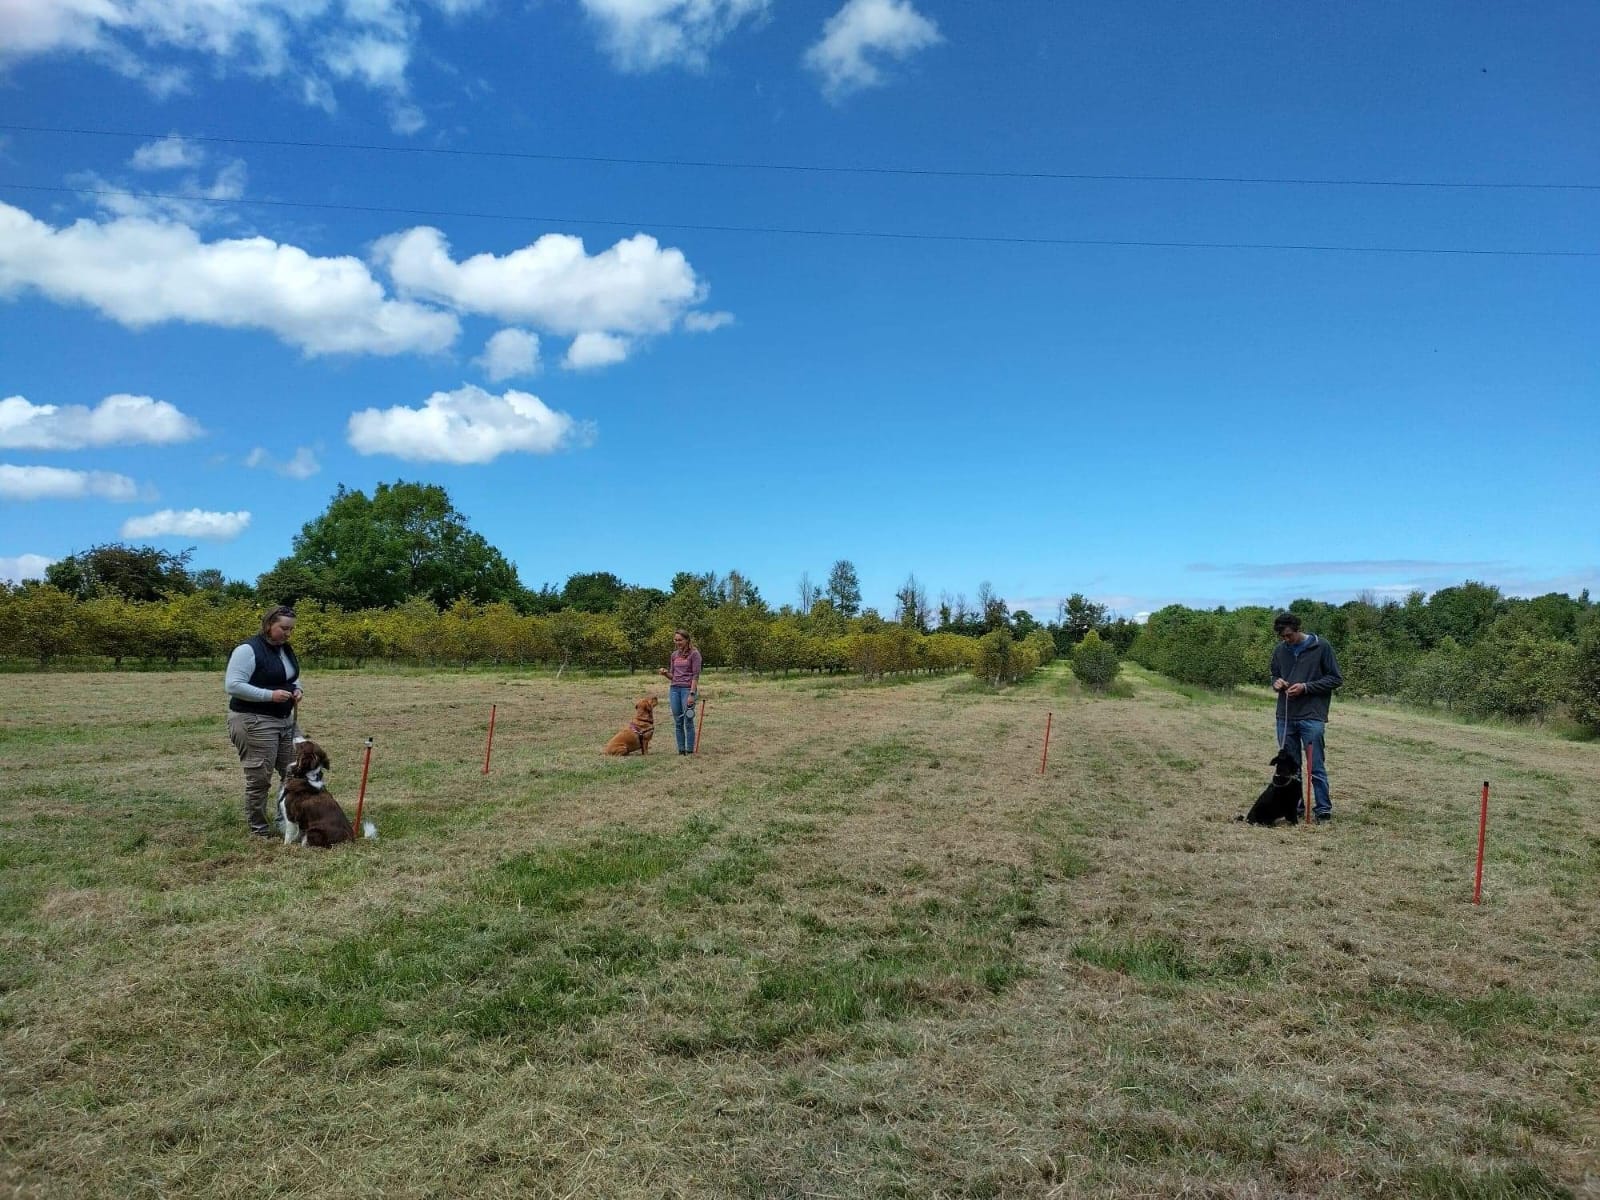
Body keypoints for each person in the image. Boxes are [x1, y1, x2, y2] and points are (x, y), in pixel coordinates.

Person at [226, 605, 303, 837]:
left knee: (294, 771)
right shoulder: (247, 650)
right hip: (254, 720)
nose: (288, 634)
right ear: (269, 625)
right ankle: (258, 828)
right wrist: (269, 695)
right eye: (284, 628)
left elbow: (292, 676)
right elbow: (233, 685)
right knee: (260, 777)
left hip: (285, 719)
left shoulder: (285, 649)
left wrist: (298, 689)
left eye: (291, 629)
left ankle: (284, 820)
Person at [1270, 611, 1343, 823]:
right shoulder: (1280, 650)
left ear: (1298, 629)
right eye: (1282, 637)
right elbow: (1275, 674)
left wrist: (1306, 687)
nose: (1286, 640)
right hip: (1285, 716)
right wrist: (1277, 683)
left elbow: (1335, 678)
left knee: (1316, 766)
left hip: (1312, 716)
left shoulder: (1322, 647)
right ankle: (1296, 807)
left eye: (1289, 635)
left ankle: (1323, 811)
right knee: (1292, 767)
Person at [657, 628, 703, 755]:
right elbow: (673, 676)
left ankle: (690, 750)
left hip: (687, 689)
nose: (677, 642)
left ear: (687, 640)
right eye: (675, 640)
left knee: (688, 720)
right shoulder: (674, 655)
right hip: (674, 689)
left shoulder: (694, 654)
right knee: (678, 721)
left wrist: (692, 694)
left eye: (680, 640)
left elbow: (695, 676)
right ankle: (681, 750)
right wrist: (665, 674)